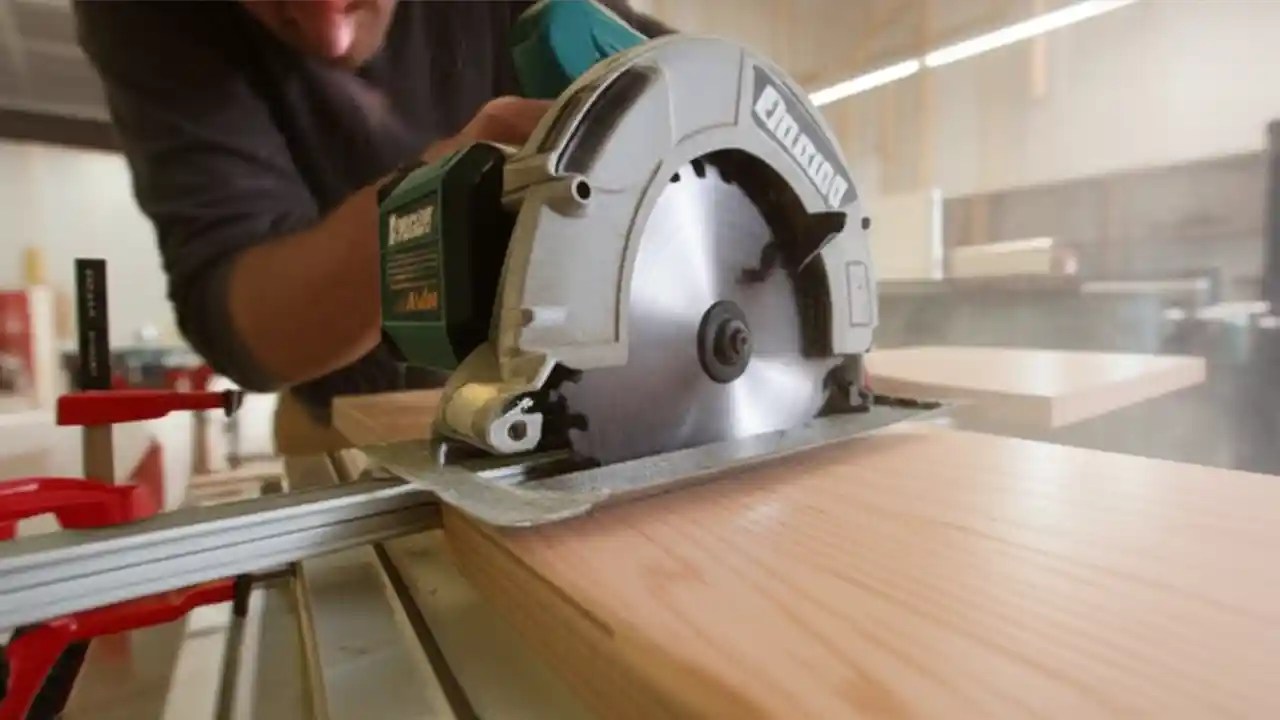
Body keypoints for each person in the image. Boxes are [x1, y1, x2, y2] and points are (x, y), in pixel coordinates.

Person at [72, 0, 669, 450]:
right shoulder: (141, 12)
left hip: (563, 405)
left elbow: (670, 76)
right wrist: (441, 200)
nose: (331, 37)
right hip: (347, 423)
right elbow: (247, 325)